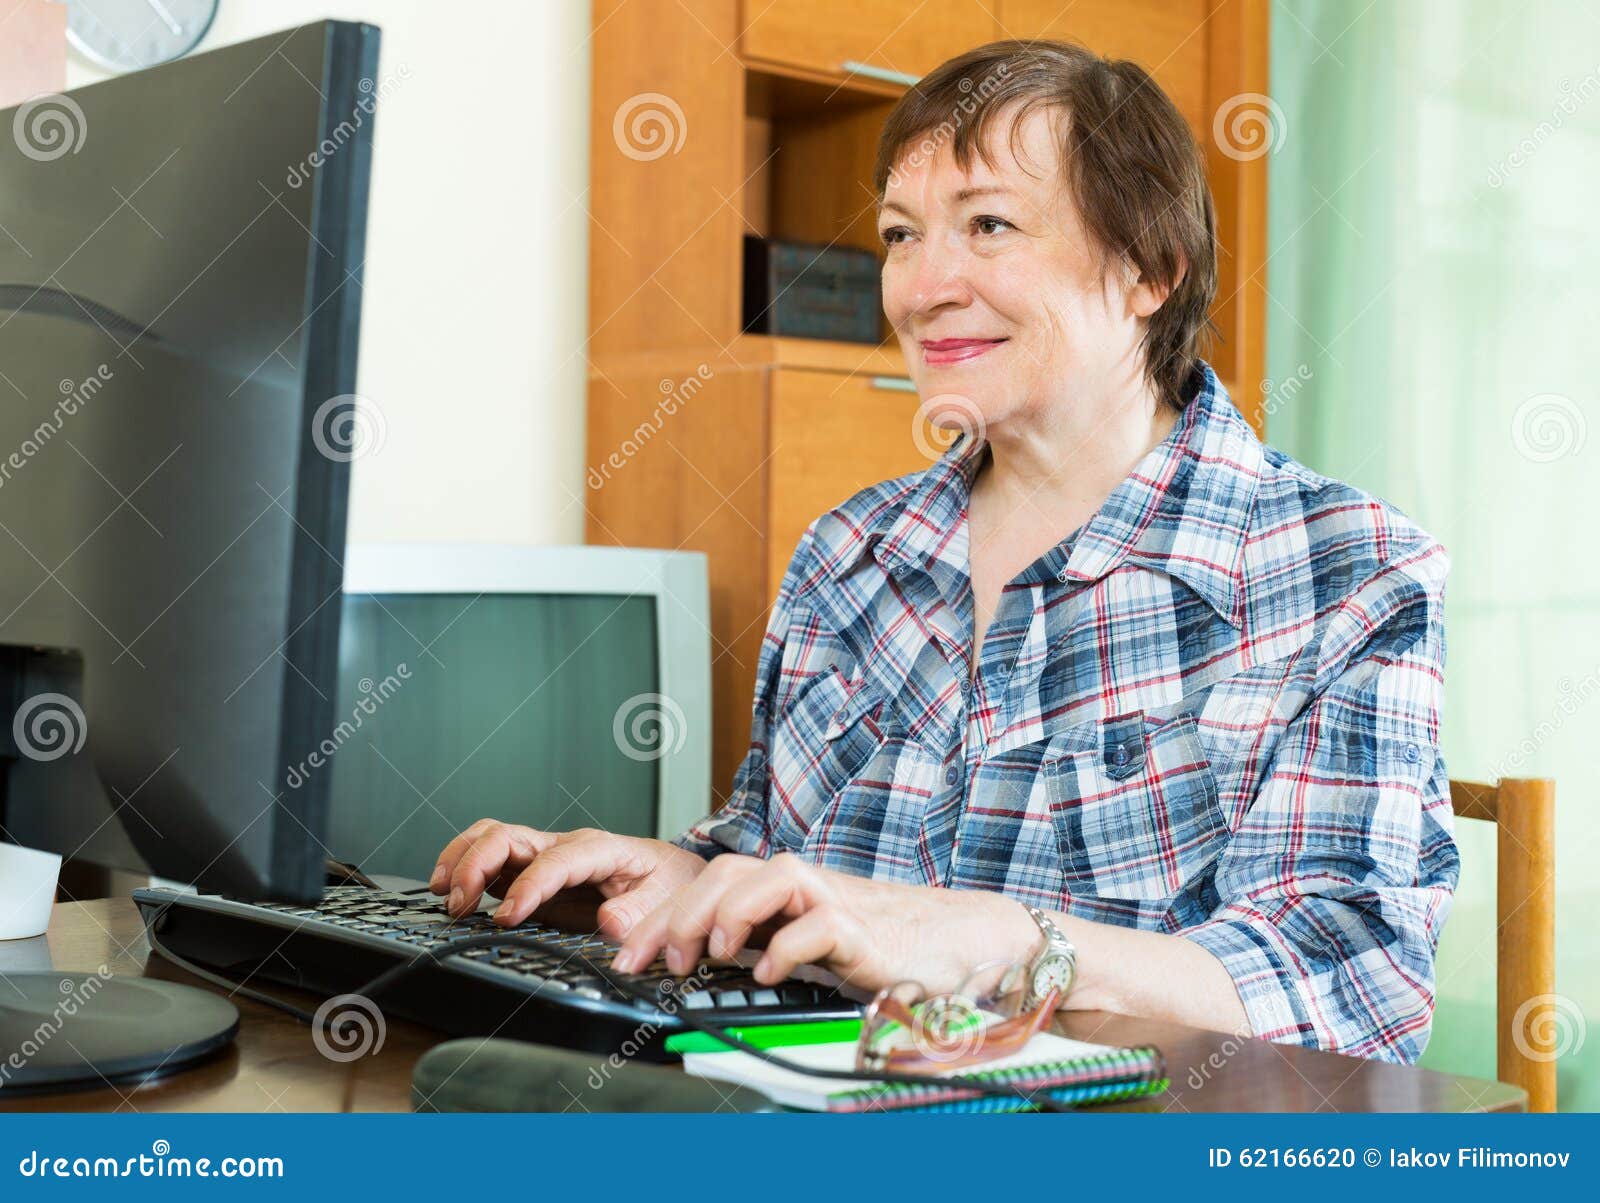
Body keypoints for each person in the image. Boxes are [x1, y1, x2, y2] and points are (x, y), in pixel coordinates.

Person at [430, 40, 1459, 1064]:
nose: (922, 289)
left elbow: (1348, 991)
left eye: (988, 225)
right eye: (900, 235)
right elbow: (774, 859)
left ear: (1149, 269)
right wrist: (681, 880)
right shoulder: (849, 555)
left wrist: (1002, 941)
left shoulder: (1350, 575)